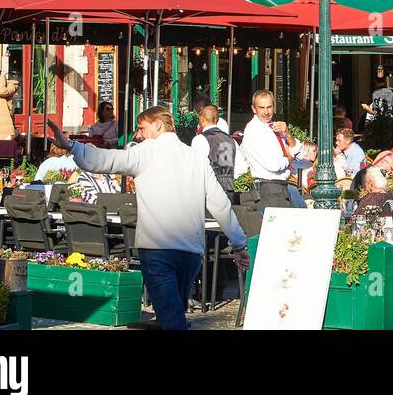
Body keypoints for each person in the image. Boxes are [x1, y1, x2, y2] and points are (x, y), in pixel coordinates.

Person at [46, 110, 249, 330]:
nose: (139, 134)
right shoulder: (196, 158)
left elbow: (105, 160)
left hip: (158, 249)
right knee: (172, 313)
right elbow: (220, 204)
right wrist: (238, 243)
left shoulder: (147, 152)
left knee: (171, 319)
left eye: (142, 128)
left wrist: (71, 146)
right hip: (190, 252)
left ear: (159, 126)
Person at [239, 90, 309, 207]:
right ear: (254, 109)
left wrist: (287, 133)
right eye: (261, 108)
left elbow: (301, 152)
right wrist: (290, 155)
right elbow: (274, 165)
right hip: (269, 189)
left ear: (274, 107)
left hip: (283, 187)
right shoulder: (254, 131)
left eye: (269, 107)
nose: (266, 112)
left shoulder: (273, 127)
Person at [190, 105, 247, 193]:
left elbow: (197, 168)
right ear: (217, 120)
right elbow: (242, 167)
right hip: (229, 188)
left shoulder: (200, 139)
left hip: (210, 189)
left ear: (201, 119)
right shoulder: (231, 140)